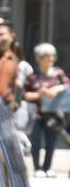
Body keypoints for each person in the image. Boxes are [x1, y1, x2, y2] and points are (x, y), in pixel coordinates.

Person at [24, 43, 70, 178]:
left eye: (53, 56)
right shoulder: (33, 76)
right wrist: (39, 94)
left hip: (54, 114)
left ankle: (47, 167)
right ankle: (37, 168)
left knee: (51, 141)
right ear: (40, 58)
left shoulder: (58, 73)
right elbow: (25, 94)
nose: (51, 59)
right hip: (37, 114)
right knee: (36, 141)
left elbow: (67, 85)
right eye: (47, 56)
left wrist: (57, 89)